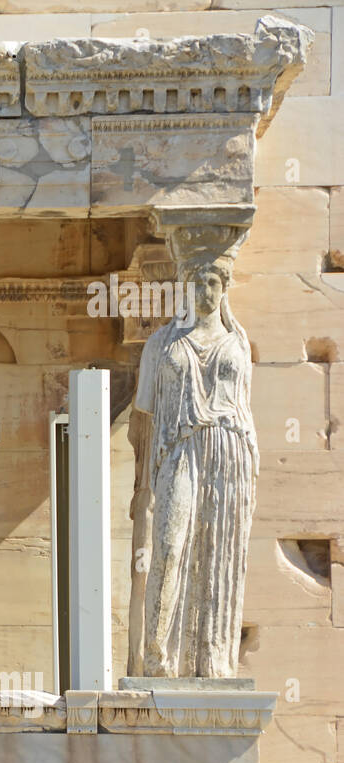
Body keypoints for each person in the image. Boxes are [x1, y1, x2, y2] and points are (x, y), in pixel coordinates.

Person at [134, 253, 257, 678]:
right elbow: (144, 418)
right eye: (197, 283)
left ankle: (209, 661)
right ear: (183, 288)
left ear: (224, 290)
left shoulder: (238, 344)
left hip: (228, 453)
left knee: (216, 550)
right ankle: (156, 656)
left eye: (213, 283)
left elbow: (242, 410)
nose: (204, 292)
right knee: (169, 546)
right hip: (179, 450)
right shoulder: (161, 345)